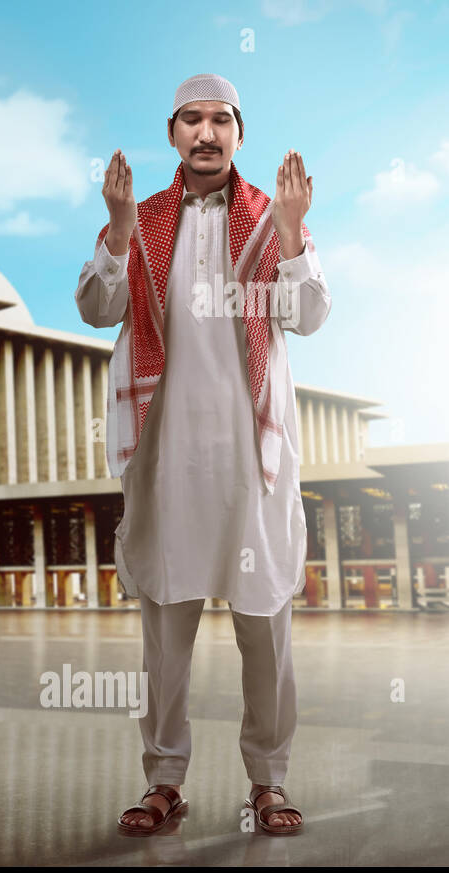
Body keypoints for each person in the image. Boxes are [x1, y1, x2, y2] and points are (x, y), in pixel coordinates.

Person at [73, 73, 332, 834]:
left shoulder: (267, 216)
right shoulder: (144, 219)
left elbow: (307, 315)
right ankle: (164, 782)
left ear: (239, 135)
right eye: (194, 119)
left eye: (222, 120)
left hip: (252, 457)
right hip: (169, 456)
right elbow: (96, 309)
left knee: (265, 628)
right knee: (166, 631)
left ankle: (269, 782)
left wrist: (291, 233)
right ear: (173, 132)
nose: (208, 133)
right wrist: (118, 231)